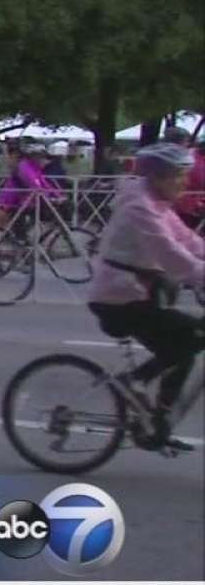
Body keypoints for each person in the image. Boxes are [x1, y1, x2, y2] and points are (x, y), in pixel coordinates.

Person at [86, 144, 204, 451]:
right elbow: (170, 253)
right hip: (118, 298)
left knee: (185, 348)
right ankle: (134, 380)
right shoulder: (139, 208)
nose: (185, 182)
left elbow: (189, 241)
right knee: (191, 338)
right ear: (156, 177)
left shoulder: (158, 205)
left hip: (140, 295)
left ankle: (158, 425)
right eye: (178, 176)